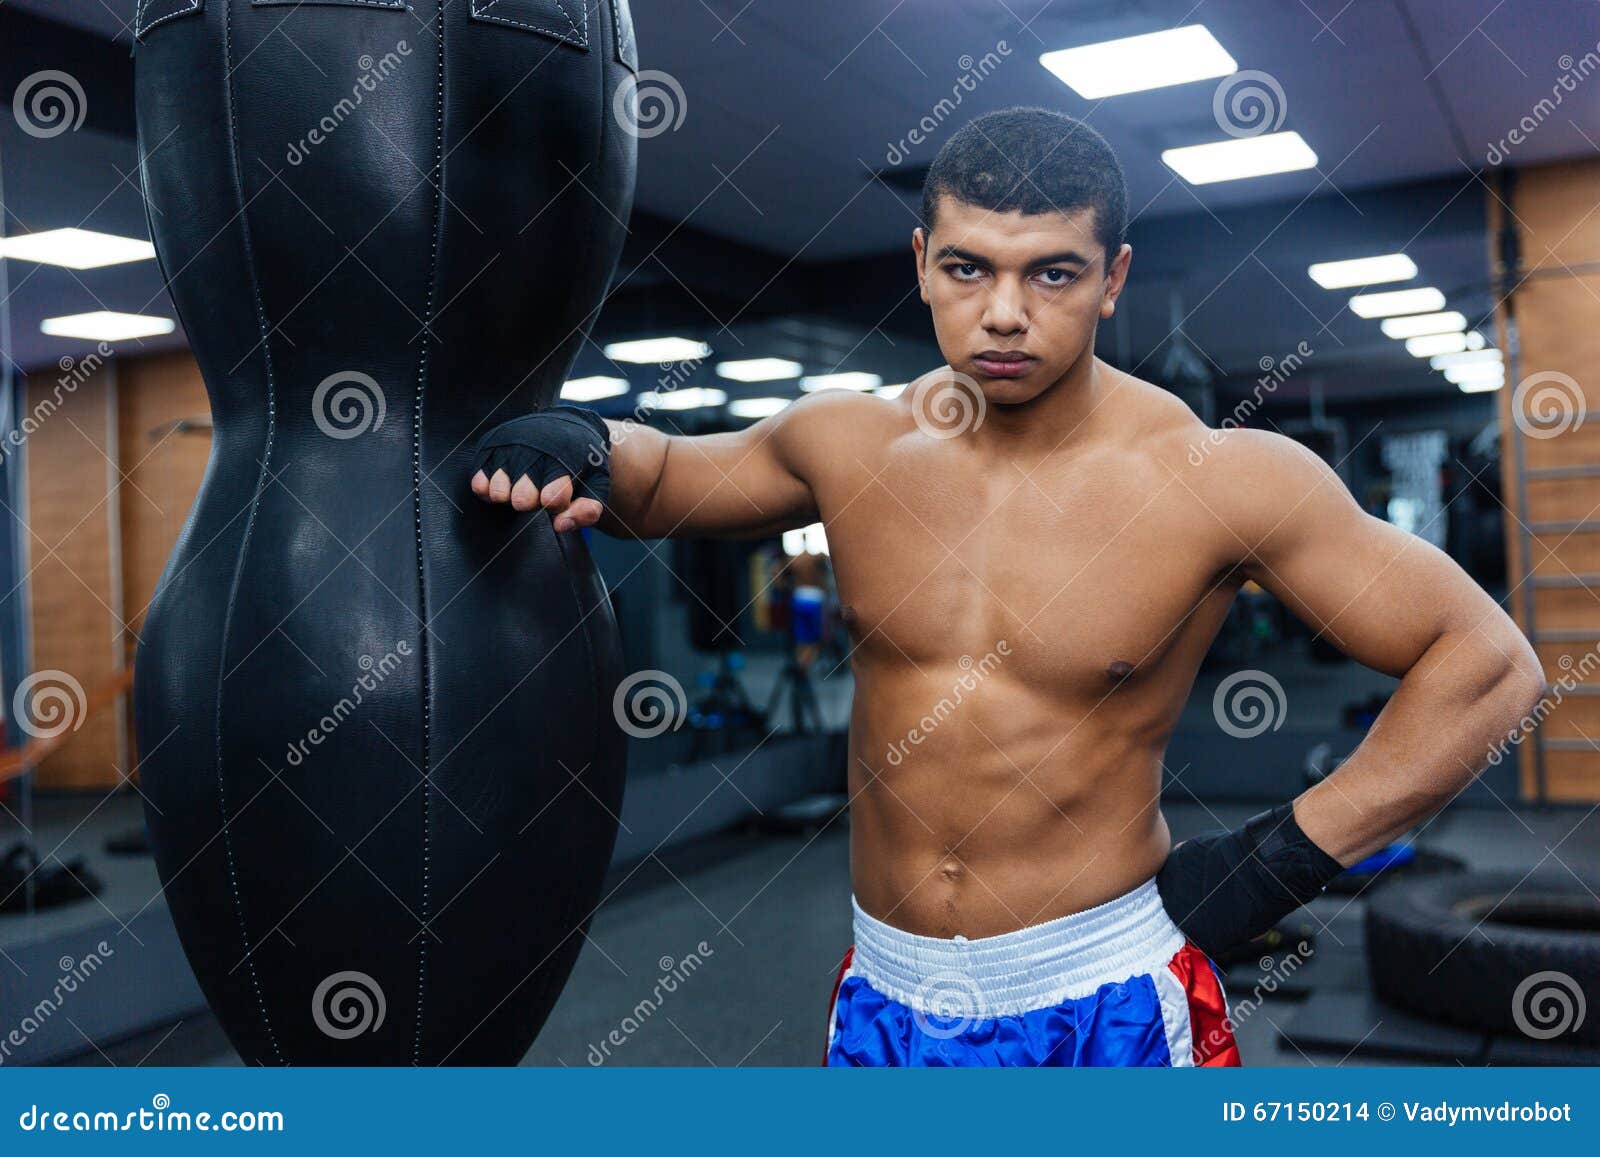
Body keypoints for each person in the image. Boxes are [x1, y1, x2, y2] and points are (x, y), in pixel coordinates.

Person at [468, 108, 1547, 1067]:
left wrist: (1271, 867)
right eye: (968, 267)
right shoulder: (849, 443)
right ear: (921, 262)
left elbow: (1489, 662)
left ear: (1113, 277)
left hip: (1104, 995)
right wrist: (585, 440)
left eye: (1053, 274)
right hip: (887, 995)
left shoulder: (1214, 479)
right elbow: (664, 476)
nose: (1004, 313)